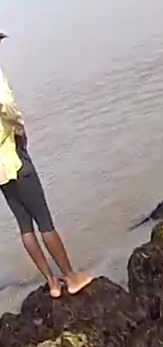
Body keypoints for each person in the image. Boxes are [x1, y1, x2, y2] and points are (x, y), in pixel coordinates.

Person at [0, 32, 95, 298]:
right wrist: (19, 129)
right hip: (15, 156)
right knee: (44, 221)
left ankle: (53, 283)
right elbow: (6, 105)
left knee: (24, 226)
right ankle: (72, 277)